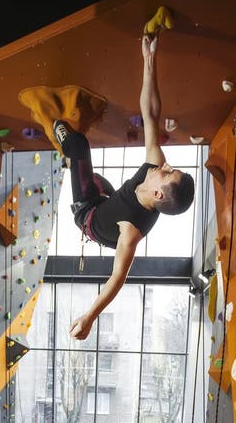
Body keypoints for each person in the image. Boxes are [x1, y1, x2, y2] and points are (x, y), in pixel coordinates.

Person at [52, 32, 195, 341]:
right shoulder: (154, 165)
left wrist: (89, 318)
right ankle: (73, 168)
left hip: (88, 213)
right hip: (107, 196)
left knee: (77, 144)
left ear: (158, 194)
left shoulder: (132, 230)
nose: (166, 166)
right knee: (94, 176)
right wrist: (149, 59)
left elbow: (117, 279)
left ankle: (60, 138)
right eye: (172, 168)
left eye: (169, 173)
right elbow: (151, 114)